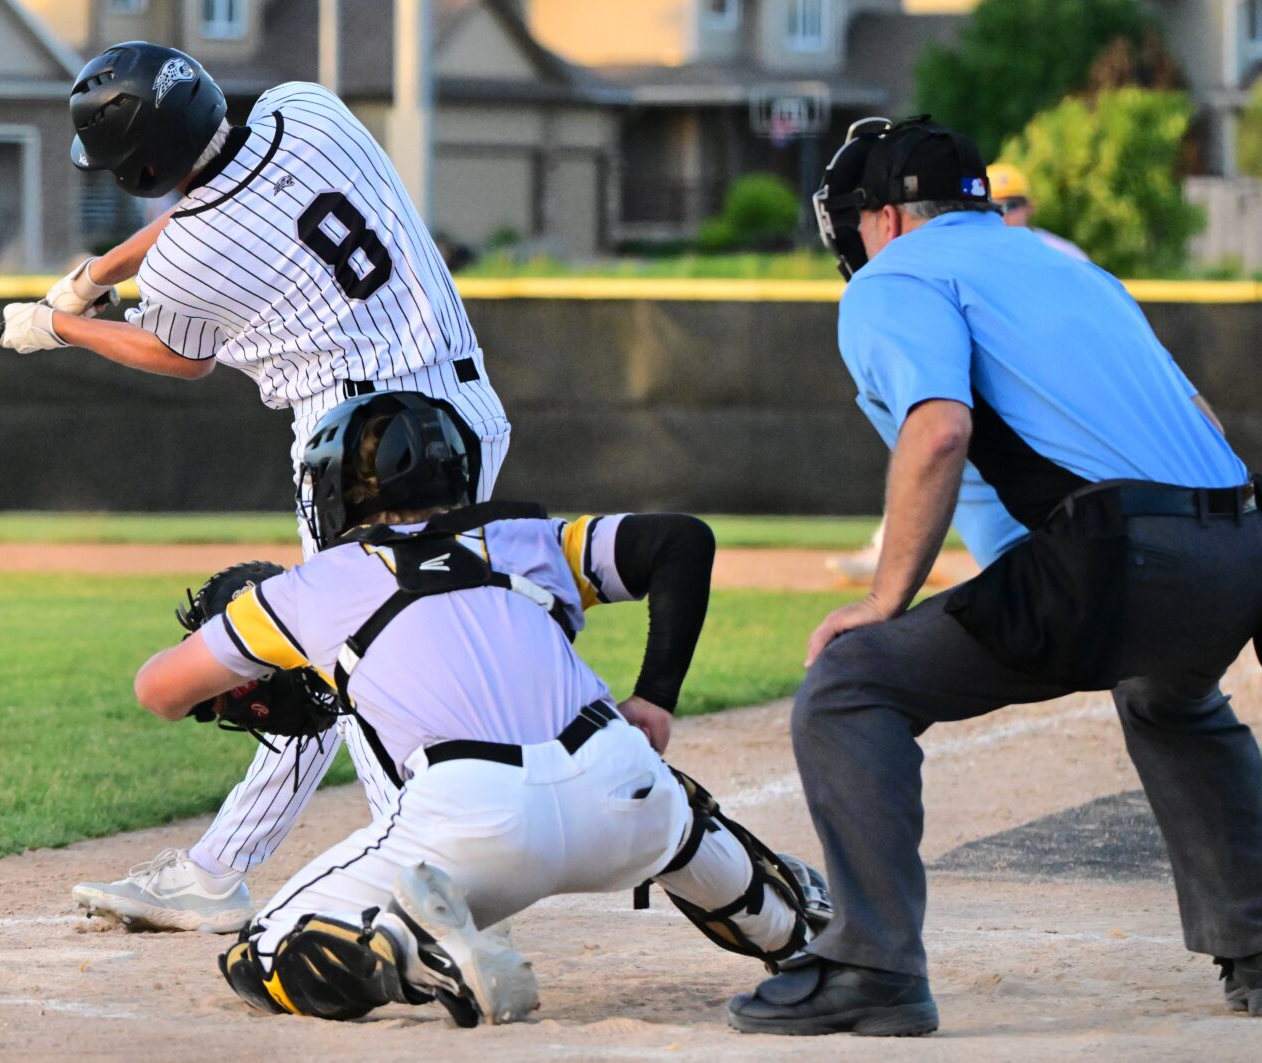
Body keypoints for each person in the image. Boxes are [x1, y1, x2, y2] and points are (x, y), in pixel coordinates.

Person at [728, 116, 1262, 1036]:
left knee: (850, 686)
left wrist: (883, 599)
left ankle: (872, 965)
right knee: (1170, 695)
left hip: (1124, 556)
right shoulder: (1068, 265)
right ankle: (1257, 942)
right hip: (1243, 541)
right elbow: (1204, 421)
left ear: (888, 218)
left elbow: (939, 431)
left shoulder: (896, 274)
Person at [0, 42, 512, 932]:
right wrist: (95, 276)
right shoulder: (306, 106)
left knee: (341, 655)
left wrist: (62, 328)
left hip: (365, 452)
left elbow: (181, 354)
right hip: (465, 416)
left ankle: (415, 878)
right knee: (364, 645)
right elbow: (215, 198)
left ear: (144, 165)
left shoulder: (190, 258)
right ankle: (220, 867)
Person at [129, 391, 831, 1026]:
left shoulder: (311, 588)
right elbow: (682, 540)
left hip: (469, 822)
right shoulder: (523, 538)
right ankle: (798, 935)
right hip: (618, 781)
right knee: (673, 815)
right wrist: (654, 696)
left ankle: (416, 954)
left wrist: (245, 642)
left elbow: (157, 691)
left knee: (260, 955)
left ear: (340, 492)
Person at [822, 162, 1091, 585]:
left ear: (1030, 207)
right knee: (927, 429)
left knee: (938, 435)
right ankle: (890, 549)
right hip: (992, 377)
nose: (1006, 213)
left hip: (1046, 386)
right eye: (998, 204)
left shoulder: (1060, 253)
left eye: (1014, 204)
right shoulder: (964, 254)